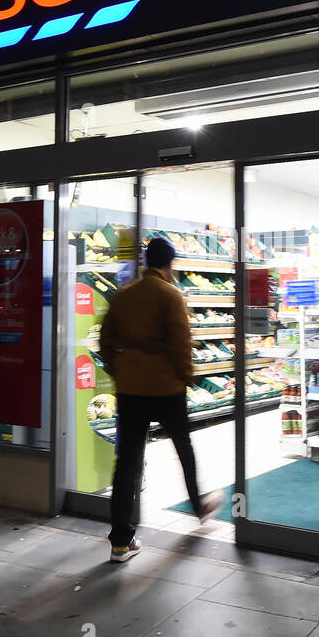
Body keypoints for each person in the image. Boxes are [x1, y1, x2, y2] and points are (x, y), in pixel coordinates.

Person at [98, 237, 223, 562]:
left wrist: (119, 369)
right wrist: (186, 378)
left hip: (130, 389)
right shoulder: (171, 295)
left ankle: (120, 542)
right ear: (170, 265)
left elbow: (105, 339)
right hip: (166, 387)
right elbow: (182, 344)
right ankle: (199, 506)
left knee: (126, 462)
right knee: (183, 447)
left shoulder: (125, 295)